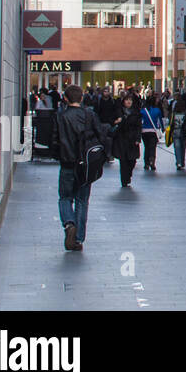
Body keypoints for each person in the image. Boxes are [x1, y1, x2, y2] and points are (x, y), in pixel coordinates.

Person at [52, 86, 109, 251]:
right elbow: (101, 135)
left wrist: (58, 155)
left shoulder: (61, 116)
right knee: (82, 201)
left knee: (65, 198)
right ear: (82, 98)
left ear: (65, 98)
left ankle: (69, 223)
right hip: (86, 165)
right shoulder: (89, 115)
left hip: (67, 163)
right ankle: (78, 239)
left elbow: (55, 140)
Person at [113, 91, 143, 186]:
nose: (129, 102)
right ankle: (124, 180)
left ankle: (128, 174)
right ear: (123, 101)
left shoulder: (136, 112)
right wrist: (117, 121)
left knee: (132, 160)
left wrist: (138, 138)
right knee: (123, 161)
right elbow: (113, 122)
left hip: (132, 139)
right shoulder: (119, 111)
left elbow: (139, 126)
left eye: (130, 100)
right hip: (121, 139)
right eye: (127, 100)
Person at [170, 95, 186, 169]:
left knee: (177, 147)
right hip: (185, 132)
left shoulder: (174, 113)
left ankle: (178, 162)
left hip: (176, 132)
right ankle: (182, 161)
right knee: (183, 148)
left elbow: (171, 123)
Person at [140, 95, 164, 172]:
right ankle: (152, 161)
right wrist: (162, 129)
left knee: (146, 147)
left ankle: (146, 163)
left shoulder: (143, 111)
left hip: (144, 131)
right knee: (152, 147)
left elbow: (140, 121)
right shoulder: (157, 110)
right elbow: (160, 121)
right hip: (153, 131)